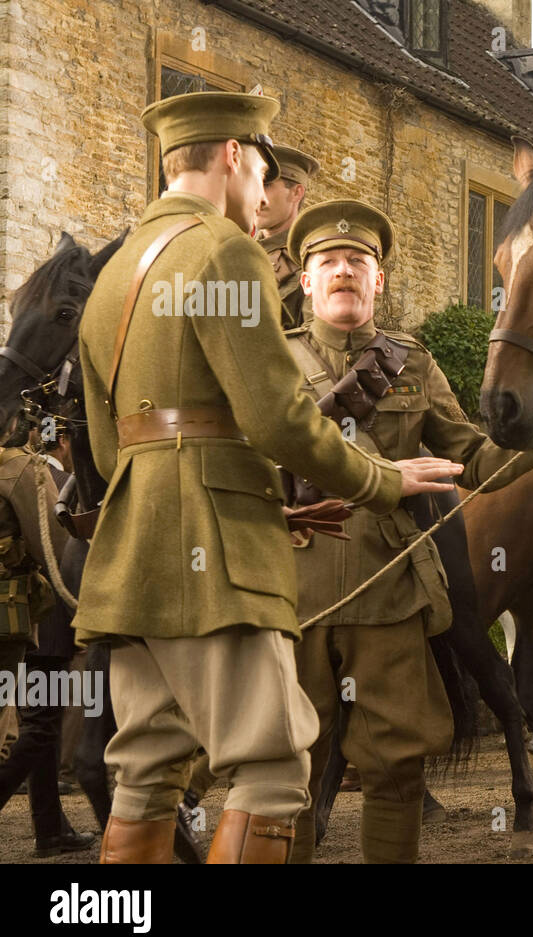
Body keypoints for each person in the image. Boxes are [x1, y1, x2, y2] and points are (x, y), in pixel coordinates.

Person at [74, 91, 456, 864]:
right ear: (234, 157)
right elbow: (277, 420)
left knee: (146, 770)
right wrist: (384, 481)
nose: (265, 201)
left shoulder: (112, 275)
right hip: (217, 555)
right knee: (277, 770)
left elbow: (109, 446)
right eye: (263, 176)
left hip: (131, 554)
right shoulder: (224, 250)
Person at [282, 199, 533, 862]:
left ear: (378, 281)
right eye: (329, 262)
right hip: (290, 592)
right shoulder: (272, 360)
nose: (344, 270)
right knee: (283, 768)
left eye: (358, 262)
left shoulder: (411, 363)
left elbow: (473, 456)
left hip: (390, 592)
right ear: (307, 281)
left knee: (397, 765)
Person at [0, 431, 94, 857]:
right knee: (40, 728)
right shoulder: (30, 472)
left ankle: (50, 829)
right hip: (46, 619)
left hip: (33, 620)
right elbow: (57, 552)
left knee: (44, 725)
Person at [258, 144, 320, 329]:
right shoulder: (237, 250)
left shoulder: (312, 258)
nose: (258, 195)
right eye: (255, 183)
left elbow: (316, 340)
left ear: (296, 193)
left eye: (267, 185)